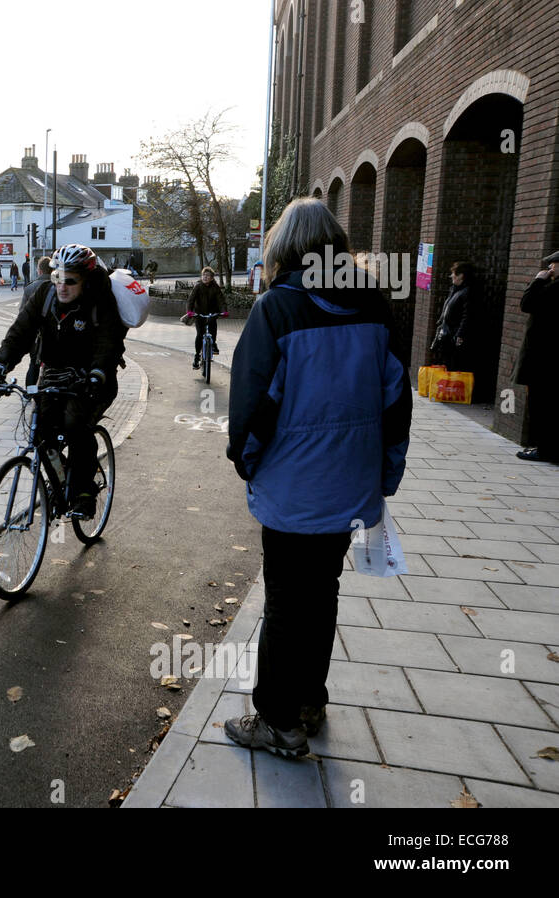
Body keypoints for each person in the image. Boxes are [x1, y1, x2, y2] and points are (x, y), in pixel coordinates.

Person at [224, 197, 411, 757]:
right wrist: (387, 472)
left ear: (285, 246)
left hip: (292, 482)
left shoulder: (277, 309)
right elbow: (397, 399)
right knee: (322, 592)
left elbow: (254, 402)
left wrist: (246, 461)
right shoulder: (377, 307)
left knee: (284, 600)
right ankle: (309, 699)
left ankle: (277, 722)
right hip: (350, 482)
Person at [0, 244, 126, 517]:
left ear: (84, 281)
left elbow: (108, 342)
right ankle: (62, 481)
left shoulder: (99, 301)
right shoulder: (44, 297)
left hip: (93, 378)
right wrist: (0, 367)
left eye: (70, 280)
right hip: (53, 374)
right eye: (57, 277)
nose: (62, 286)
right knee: (40, 434)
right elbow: (20, 332)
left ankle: (84, 493)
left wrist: (97, 374)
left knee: (75, 425)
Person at [514, 250, 559, 462]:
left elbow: (527, 304)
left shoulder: (554, 289)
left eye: (553, 265)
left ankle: (545, 449)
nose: (550, 269)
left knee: (542, 406)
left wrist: (537, 281)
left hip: (544, 360)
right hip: (547, 359)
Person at [430, 261, 478, 376]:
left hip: (455, 335)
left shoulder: (466, 292)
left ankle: (452, 389)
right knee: (447, 362)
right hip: (448, 333)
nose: (451, 276)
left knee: (454, 364)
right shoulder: (455, 290)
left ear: (461, 275)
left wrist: (460, 335)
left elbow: (467, 316)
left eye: (454, 273)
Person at [184, 266, 229, 368]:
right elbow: (191, 300)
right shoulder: (198, 286)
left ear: (212, 278)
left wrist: (224, 311)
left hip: (212, 313)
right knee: (200, 334)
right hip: (199, 313)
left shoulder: (215, 287)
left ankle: (213, 344)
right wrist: (190, 311)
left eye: (208, 275)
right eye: (204, 275)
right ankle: (196, 357)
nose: (205, 277)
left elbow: (221, 300)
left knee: (213, 327)